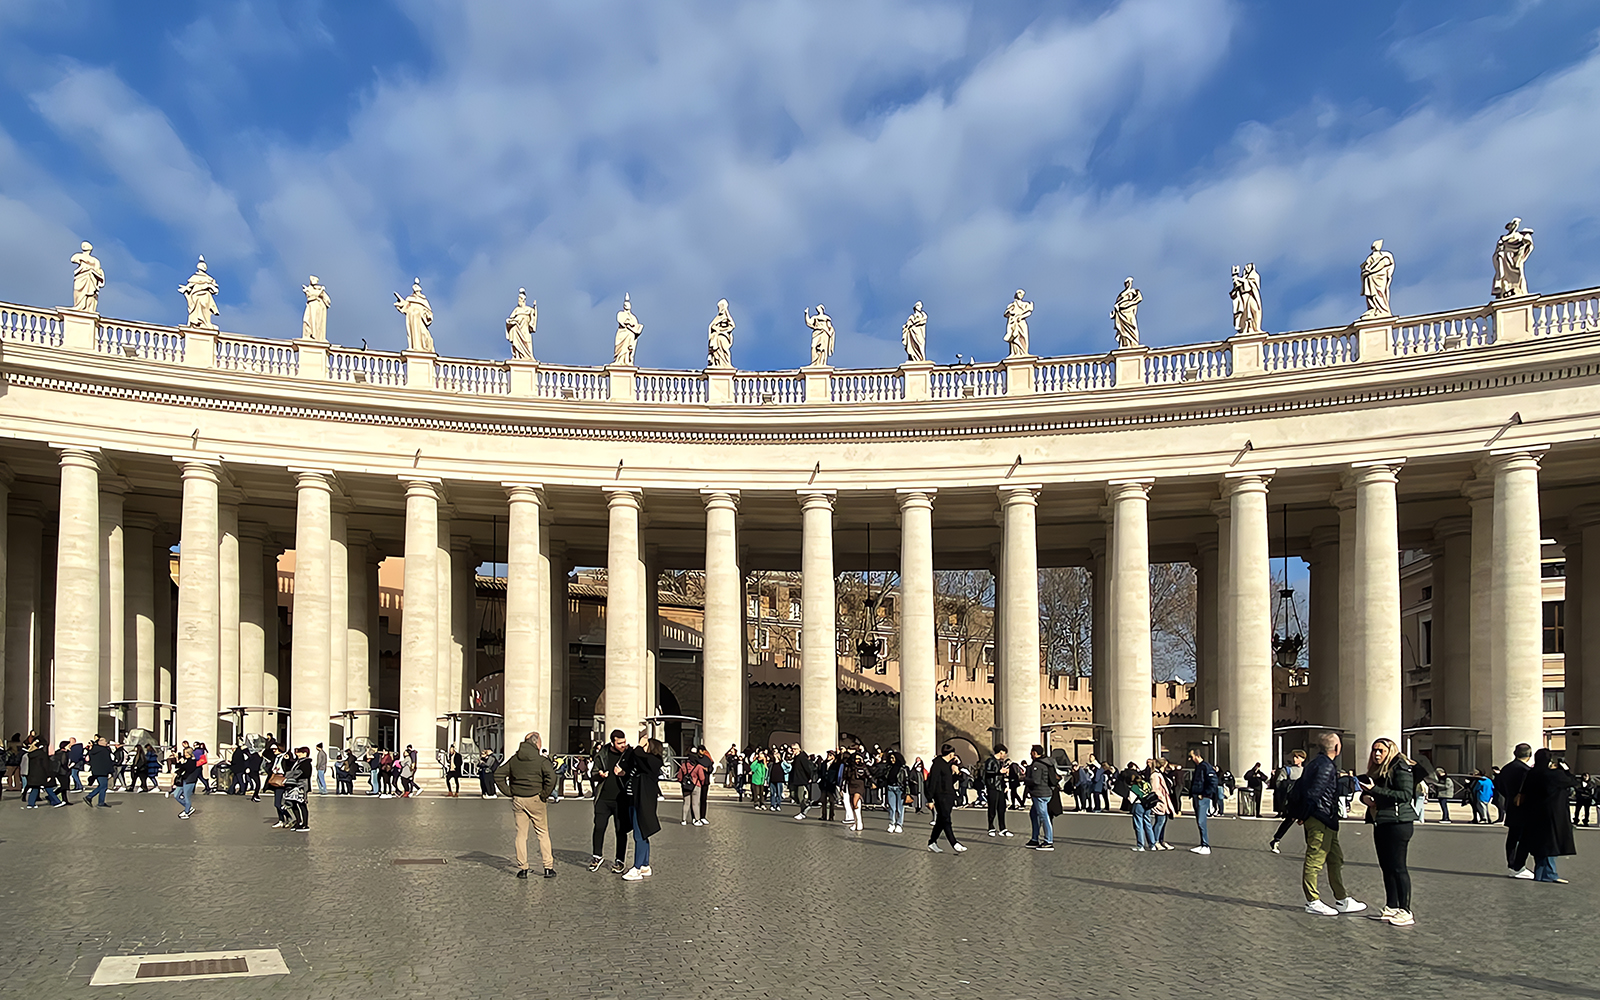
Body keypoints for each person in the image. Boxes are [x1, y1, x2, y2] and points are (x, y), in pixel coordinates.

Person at [1289, 731, 1366, 916]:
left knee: (1335, 858)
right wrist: (1305, 814)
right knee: (1315, 860)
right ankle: (1312, 900)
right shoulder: (1326, 766)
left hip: (1325, 819)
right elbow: (1314, 793)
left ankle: (1342, 898)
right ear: (1337, 748)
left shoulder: (1315, 763)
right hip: (1321, 817)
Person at [1360, 738, 1418, 925]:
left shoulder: (1400, 767)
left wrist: (1375, 790)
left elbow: (1404, 794)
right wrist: (1366, 797)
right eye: (1374, 750)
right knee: (1386, 866)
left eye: (1381, 751)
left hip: (1398, 822)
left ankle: (1406, 910)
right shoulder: (1378, 770)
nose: (1377, 754)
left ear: (1390, 751)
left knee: (1398, 867)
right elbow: (1372, 792)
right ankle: (1391, 906)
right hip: (1381, 821)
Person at [495, 732, 558, 879]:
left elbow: (498, 774)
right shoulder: (541, 760)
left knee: (521, 835)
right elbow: (552, 777)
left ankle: (522, 868)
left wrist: (509, 792)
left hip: (518, 798)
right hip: (536, 798)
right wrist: (545, 793)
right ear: (537, 743)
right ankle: (548, 867)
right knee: (542, 833)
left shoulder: (514, 759)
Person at [1517, 748, 1578, 883]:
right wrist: (1565, 769)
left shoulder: (1531, 774)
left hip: (1533, 814)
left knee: (1539, 844)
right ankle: (1549, 874)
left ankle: (1540, 873)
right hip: (1553, 814)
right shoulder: (1553, 775)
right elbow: (1573, 781)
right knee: (1551, 845)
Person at [619, 734, 664, 881]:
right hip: (634, 800)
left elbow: (640, 755)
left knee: (639, 835)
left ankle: (637, 868)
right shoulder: (642, 761)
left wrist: (640, 745)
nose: (642, 749)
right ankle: (644, 865)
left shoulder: (654, 761)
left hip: (643, 802)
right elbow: (631, 758)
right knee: (642, 834)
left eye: (646, 746)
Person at [588, 730, 633, 874]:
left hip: (621, 799)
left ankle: (620, 860)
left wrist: (624, 774)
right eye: (619, 743)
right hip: (603, 798)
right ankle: (597, 856)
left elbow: (635, 773)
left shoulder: (628, 755)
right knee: (599, 827)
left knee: (621, 831)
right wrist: (600, 775)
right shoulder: (602, 754)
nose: (623, 745)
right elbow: (593, 774)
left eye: (624, 742)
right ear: (613, 742)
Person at [1496, 743, 1535, 878]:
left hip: (1511, 805)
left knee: (1512, 837)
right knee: (1523, 838)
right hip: (1524, 807)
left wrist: (1509, 796)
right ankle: (1519, 866)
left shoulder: (1506, 769)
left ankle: (1511, 864)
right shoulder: (1525, 771)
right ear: (1530, 755)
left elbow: (1499, 786)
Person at [925, 744, 966, 853]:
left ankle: (932, 842)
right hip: (940, 796)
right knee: (946, 819)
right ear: (951, 753)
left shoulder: (950, 765)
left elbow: (954, 780)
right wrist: (929, 799)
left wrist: (957, 770)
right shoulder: (937, 764)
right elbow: (932, 782)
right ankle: (954, 843)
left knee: (941, 821)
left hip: (949, 795)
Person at [1268, 750, 1308, 853]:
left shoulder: (1306, 770)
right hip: (1292, 800)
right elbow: (1279, 783)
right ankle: (1276, 839)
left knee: (1307, 822)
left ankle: (1310, 845)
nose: (1295, 759)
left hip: (1303, 800)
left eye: (1298, 757)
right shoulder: (1287, 770)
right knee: (1289, 820)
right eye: (1294, 757)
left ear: (1303, 759)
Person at [1023, 745, 1055, 852]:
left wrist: (1024, 779)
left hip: (1040, 793)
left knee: (1043, 816)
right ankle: (1034, 838)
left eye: (1031, 752)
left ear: (1034, 753)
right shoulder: (1047, 762)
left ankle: (1048, 841)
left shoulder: (1037, 764)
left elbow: (1035, 780)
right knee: (1033, 814)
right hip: (1046, 792)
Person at [1186, 750, 1218, 855]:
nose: (1190, 759)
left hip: (1202, 797)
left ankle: (1205, 845)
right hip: (1197, 796)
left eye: (1192, 756)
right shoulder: (1199, 767)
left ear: (1197, 756)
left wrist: (1204, 794)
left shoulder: (1206, 767)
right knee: (1199, 822)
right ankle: (1202, 843)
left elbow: (1213, 782)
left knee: (1201, 821)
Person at [21, 737, 63, 808]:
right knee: (48, 788)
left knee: (35, 788)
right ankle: (57, 802)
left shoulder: (30, 754)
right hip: (42, 774)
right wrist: (49, 775)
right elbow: (45, 765)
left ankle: (31, 804)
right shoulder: (42, 754)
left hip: (32, 774)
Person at [983, 746, 1013, 837]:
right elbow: (987, 772)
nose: (1005, 755)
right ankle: (991, 827)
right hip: (992, 787)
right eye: (1004, 753)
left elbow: (1001, 776)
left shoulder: (1000, 762)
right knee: (992, 808)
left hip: (1000, 787)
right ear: (1000, 752)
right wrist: (999, 771)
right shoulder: (990, 761)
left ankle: (1003, 828)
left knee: (1002, 808)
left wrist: (1005, 785)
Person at [1147, 758, 1176, 850]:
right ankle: (1155, 841)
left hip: (1165, 801)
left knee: (1163, 822)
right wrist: (1161, 799)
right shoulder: (1155, 775)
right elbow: (1155, 790)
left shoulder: (1161, 774)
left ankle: (1160, 840)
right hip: (1160, 802)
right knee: (1160, 821)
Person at [676, 753, 706, 827]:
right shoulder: (698, 766)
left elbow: (679, 777)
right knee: (695, 804)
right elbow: (702, 778)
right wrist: (701, 783)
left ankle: (684, 820)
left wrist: (682, 782)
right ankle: (696, 819)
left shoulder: (683, 765)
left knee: (686, 803)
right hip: (696, 785)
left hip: (686, 786)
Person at [171, 746, 201, 820]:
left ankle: (187, 812)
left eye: (186, 753)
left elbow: (189, 769)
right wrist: (178, 760)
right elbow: (179, 767)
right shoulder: (185, 760)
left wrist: (183, 763)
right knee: (176, 795)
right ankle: (189, 807)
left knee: (186, 797)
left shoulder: (192, 761)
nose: (185, 755)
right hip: (182, 780)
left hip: (189, 781)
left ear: (189, 753)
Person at [882, 750, 909, 834]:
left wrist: (907, 792)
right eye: (890, 758)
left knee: (900, 808)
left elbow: (906, 781)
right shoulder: (888, 767)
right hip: (890, 788)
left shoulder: (903, 768)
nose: (892, 760)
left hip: (900, 788)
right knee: (891, 807)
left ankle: (899, 824)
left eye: (893, 758)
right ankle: (892, 823)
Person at [86, 737, 114, 808]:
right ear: (101, 743)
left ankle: (101, 802)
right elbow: (108, 762)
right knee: (103, 786)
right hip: (103, 771)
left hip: (96, 770)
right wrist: (111, 770)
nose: (107, 743)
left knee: (102, 786)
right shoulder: (105, 751)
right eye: (105, 742)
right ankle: (90, 796)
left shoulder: (93, 750)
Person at [790, 743, 815, 820]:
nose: (793, 751)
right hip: (795, 779)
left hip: (801, 779)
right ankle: (804, 807)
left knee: (800, 796)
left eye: (794, 749)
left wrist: (810, 777)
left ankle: (803, 811)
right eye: (792, 749)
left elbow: (807, 768)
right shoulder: (796, 757)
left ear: (798, 749)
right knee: (793, 794)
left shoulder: (802, 757)